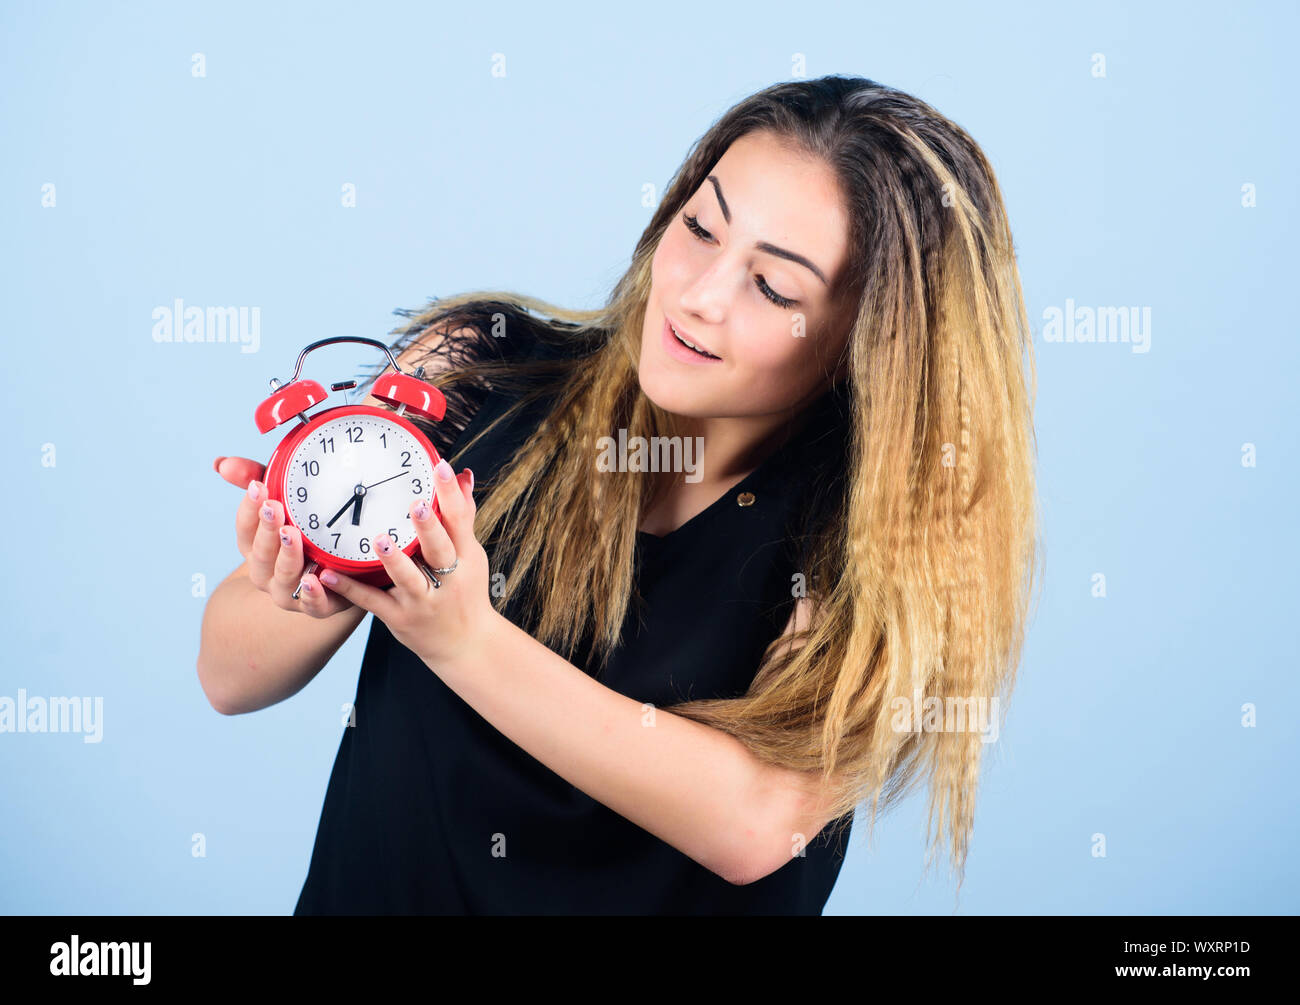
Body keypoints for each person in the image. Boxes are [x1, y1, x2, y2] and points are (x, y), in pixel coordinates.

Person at [197, 74, 1040, 914]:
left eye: (774, 287)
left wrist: (465, 643)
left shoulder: (859, 542)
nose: (698, 295)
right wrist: (310, 573)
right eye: (701, 227)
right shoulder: (473, 370)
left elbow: (757, 822)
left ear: (869, 343)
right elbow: (227, 675)